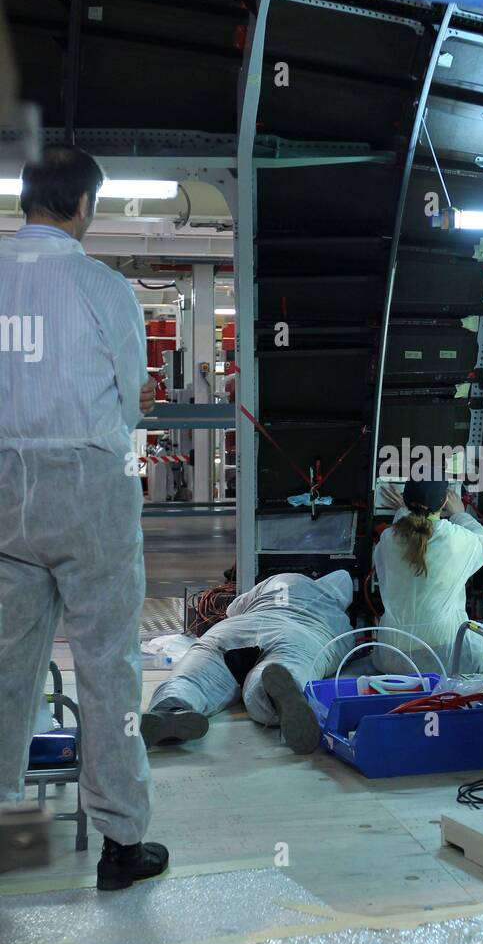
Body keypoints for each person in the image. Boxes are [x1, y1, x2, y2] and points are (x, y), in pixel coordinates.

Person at [0, 145, 165, 892]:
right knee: (106, 668)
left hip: (4, 485)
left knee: (6, 670)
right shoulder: (102, 286)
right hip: (90, 485)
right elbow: (127, 400)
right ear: (84, 206)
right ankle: (121, 846)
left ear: (25, 200)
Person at [141, 570, 353, 753]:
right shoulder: (340, 621)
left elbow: (233, 609)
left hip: (237, 628)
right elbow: (336, 653)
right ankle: (277, 695)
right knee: (284, 670)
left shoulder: (282, 580)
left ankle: (171, 708)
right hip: (298, 637)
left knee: (194, 676)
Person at [373, 479, 483, 675]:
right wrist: (460, 514)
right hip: (445, 660)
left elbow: (404, 534)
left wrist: (403, 511)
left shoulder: (387, 539)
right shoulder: (457, 540)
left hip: (391, 658)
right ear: (445, 499)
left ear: (406, 499)